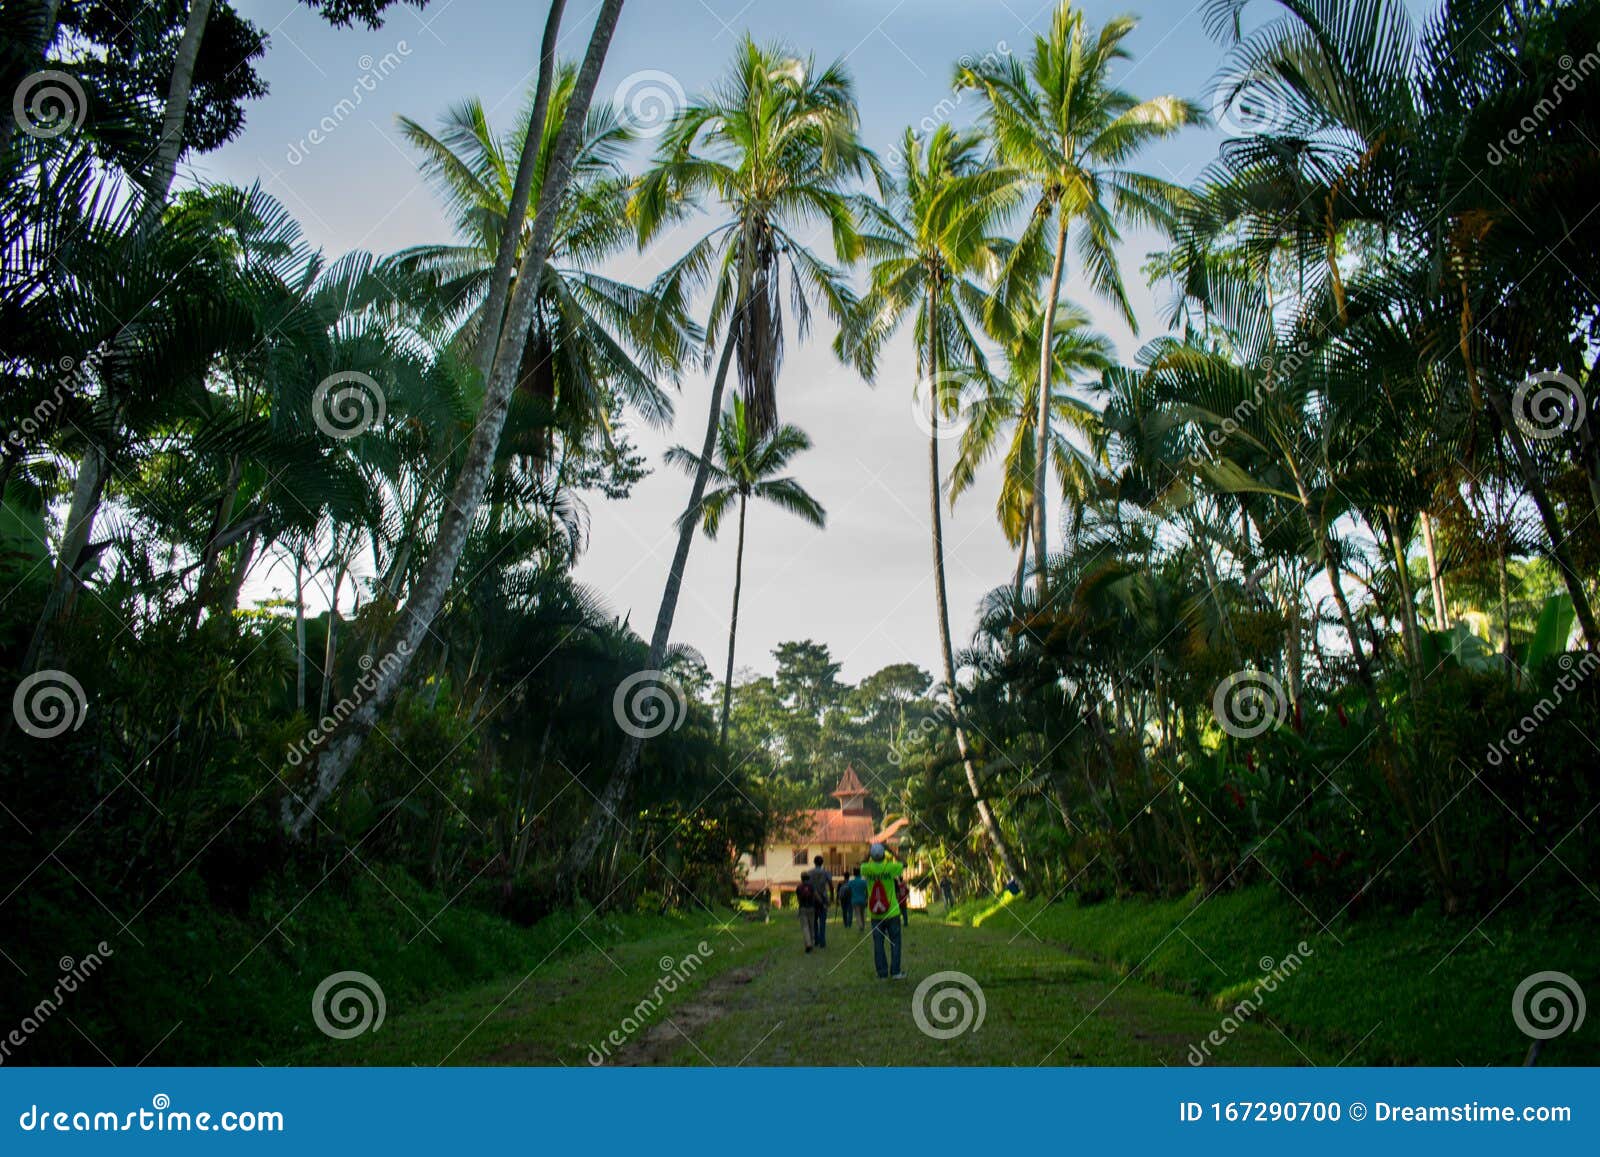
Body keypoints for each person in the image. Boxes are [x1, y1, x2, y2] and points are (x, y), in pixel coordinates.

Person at [860, 843, 906, 979]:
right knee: (895, 942)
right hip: (892, 912)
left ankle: (882, 973)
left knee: (878, 944)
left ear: (872, 857)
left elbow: (861, 863)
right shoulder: (891, 868)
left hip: (875, 914)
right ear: (883, 855)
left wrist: (868, 853)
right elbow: (904, 863)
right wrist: (892, 851)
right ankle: (896, 971)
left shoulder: (866, 868)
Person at [809, 855, 832, 948]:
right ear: (822, 863)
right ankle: (822, 941)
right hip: (823, 898)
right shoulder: (826, 873)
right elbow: (831, 885)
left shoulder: (809, 873)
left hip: (813, 898)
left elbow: (808, 886)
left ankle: (816, 940)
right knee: (822, 921)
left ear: (814, 862)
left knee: (814, 920)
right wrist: (832, 897)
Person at [795, 870, 816, 953]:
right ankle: (812, 942)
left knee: (805, 927)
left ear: (801, 879)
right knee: (811, 926)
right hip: (811, 907)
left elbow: (798, 899)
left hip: (803, 908)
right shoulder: (812, 886)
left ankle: (808, 944)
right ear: (808, 878)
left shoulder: (799, 887)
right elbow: (815, 896)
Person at [848, 868, 867, 932]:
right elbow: (867, 890)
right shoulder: (864, 882)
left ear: (854, 874)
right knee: (863, 913)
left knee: (857, 914)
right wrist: (867, 898)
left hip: (854, 900)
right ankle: (863, 926)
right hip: (863, 899)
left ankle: (860, 925)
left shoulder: (851, 882)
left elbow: (849, 890)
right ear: (860, 873)